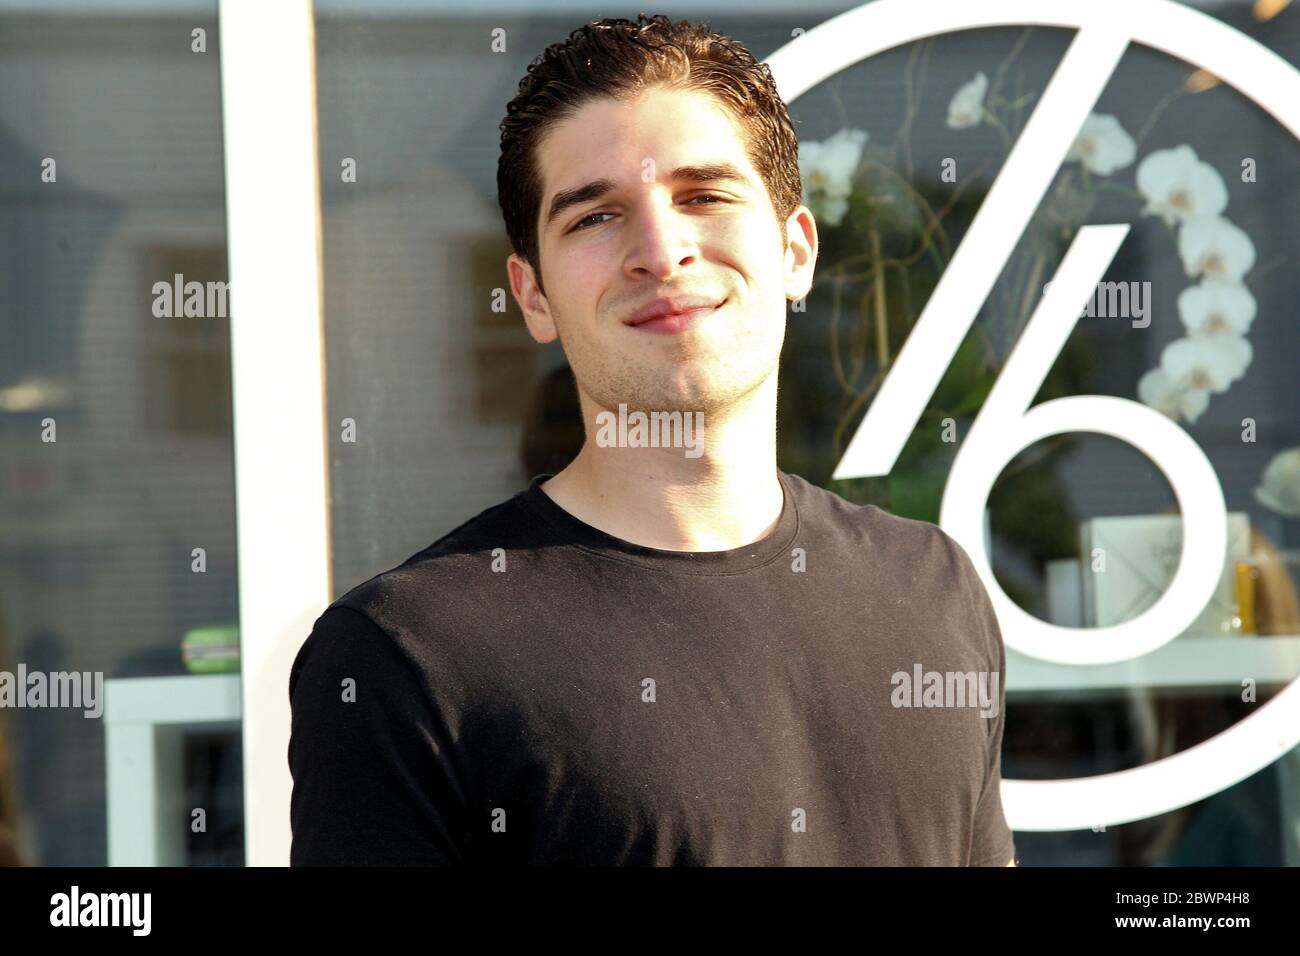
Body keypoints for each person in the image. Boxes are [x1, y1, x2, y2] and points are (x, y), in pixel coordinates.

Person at [288, 14, 1017, 866]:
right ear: (532, 296)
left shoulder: (933, 591)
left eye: (705, 196)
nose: (661, 251)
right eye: (595, 217)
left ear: (796, 250)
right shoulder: (406, 656)